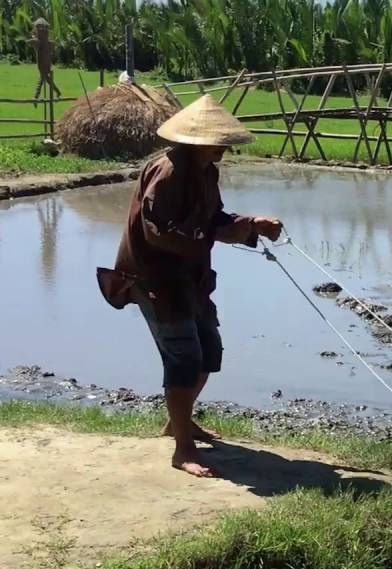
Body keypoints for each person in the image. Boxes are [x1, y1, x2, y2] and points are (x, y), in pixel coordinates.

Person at [96, 95, 282, 478]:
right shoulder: (167, 173)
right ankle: (183, 448)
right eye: (220, 142)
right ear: (199, 141)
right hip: (157, 279)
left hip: (190, 277)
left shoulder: (205, 171)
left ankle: (178, 422)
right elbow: (160, 233)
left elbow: (214, 219)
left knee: (209, 352)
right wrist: (215, 234)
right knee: (183, 358)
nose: (224, 149)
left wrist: (250, 225)